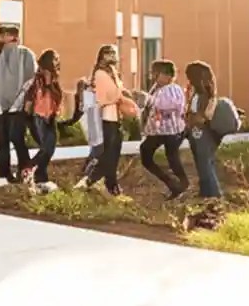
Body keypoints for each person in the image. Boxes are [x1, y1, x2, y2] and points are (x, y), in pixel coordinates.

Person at [75, 45, 129, 197]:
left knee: (114, 155)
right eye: (108, 53)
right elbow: (106, 96)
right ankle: (89, 181)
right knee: (107, 155)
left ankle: (111, 186)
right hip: (105, 118)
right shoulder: (99, 73)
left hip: (116, 117)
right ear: (101, 56)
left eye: (113, 53)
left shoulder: (113, 73)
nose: (111, 56)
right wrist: (120, 96)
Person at [0, 25, 35, 188]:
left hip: (18, 108)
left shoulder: (25, 55)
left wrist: (20, 103)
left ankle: (25, 171)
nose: (7, 39)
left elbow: (30, 81)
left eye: (11, 35)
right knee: (1, 143)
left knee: (17, 139)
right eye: (4, 35)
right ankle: (4, 173)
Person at [139, 59, 189, 199]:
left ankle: (180, 184)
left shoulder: (173, 89)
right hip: (160, 131)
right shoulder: (158, 88)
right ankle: (176, 184)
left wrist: (148, 99)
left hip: (170, 130)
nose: (153, 77)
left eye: (156, 73)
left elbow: (168, 105)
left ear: (167, 75)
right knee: (165, 156)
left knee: (166, 156)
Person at [22, 49, 64, 193]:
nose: (57, 63)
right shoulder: (36, 81)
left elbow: (57, 99)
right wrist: (27, 118)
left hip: (50, 118)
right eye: (55, 60)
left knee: (50, 149)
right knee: (45, 148)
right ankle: (29, 169)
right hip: (37, 118)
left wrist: (56, 111)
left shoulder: (54, 82)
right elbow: (28, 100)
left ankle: (41, 177)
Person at [184, 60, 224, 199]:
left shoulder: (204, 96)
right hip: (197, 134)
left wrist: (190, 119)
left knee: (205, 164)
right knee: (202, 164)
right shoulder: (197, 94)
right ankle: (206, 193)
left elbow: (202, 117)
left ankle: (214, 195)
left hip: (203, 133)